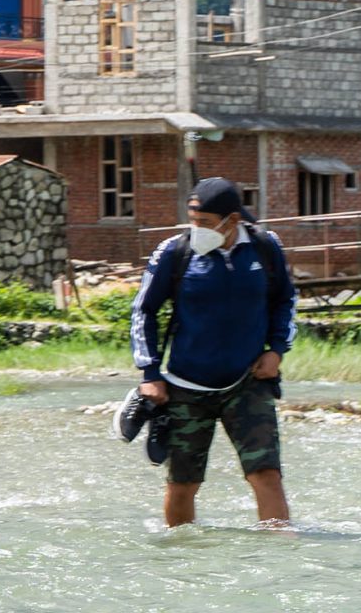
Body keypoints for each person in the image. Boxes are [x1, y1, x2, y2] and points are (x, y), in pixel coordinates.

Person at [129, 177, 297, 528]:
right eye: (193, 220)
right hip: (186, 386)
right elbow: (143, 311)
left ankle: (280, 550)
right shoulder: (174, 252)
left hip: (248, 381)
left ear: (232, 220)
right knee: (183, 483)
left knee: (266, 474)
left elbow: (286, 300)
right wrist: (150, 373)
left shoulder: (265, 247)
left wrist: (277, 350)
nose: (197, 229)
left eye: (204, 222)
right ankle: (181, 551)